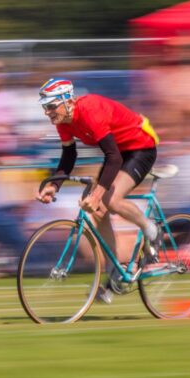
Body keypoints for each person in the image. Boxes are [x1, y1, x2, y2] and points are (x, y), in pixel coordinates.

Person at [34, 78, 161, 303]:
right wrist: (54, 185)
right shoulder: (63, 119)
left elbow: (113, 158)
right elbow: (68, 156)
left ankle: (150, 229)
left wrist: (97, 194)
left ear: (67, 100)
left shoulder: (90, 111)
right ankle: (115, 273)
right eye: (45, 107)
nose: (48, 113)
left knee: (109, 200)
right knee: (97, 209)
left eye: (51, 106)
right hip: (119, 152)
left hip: (140, 148)